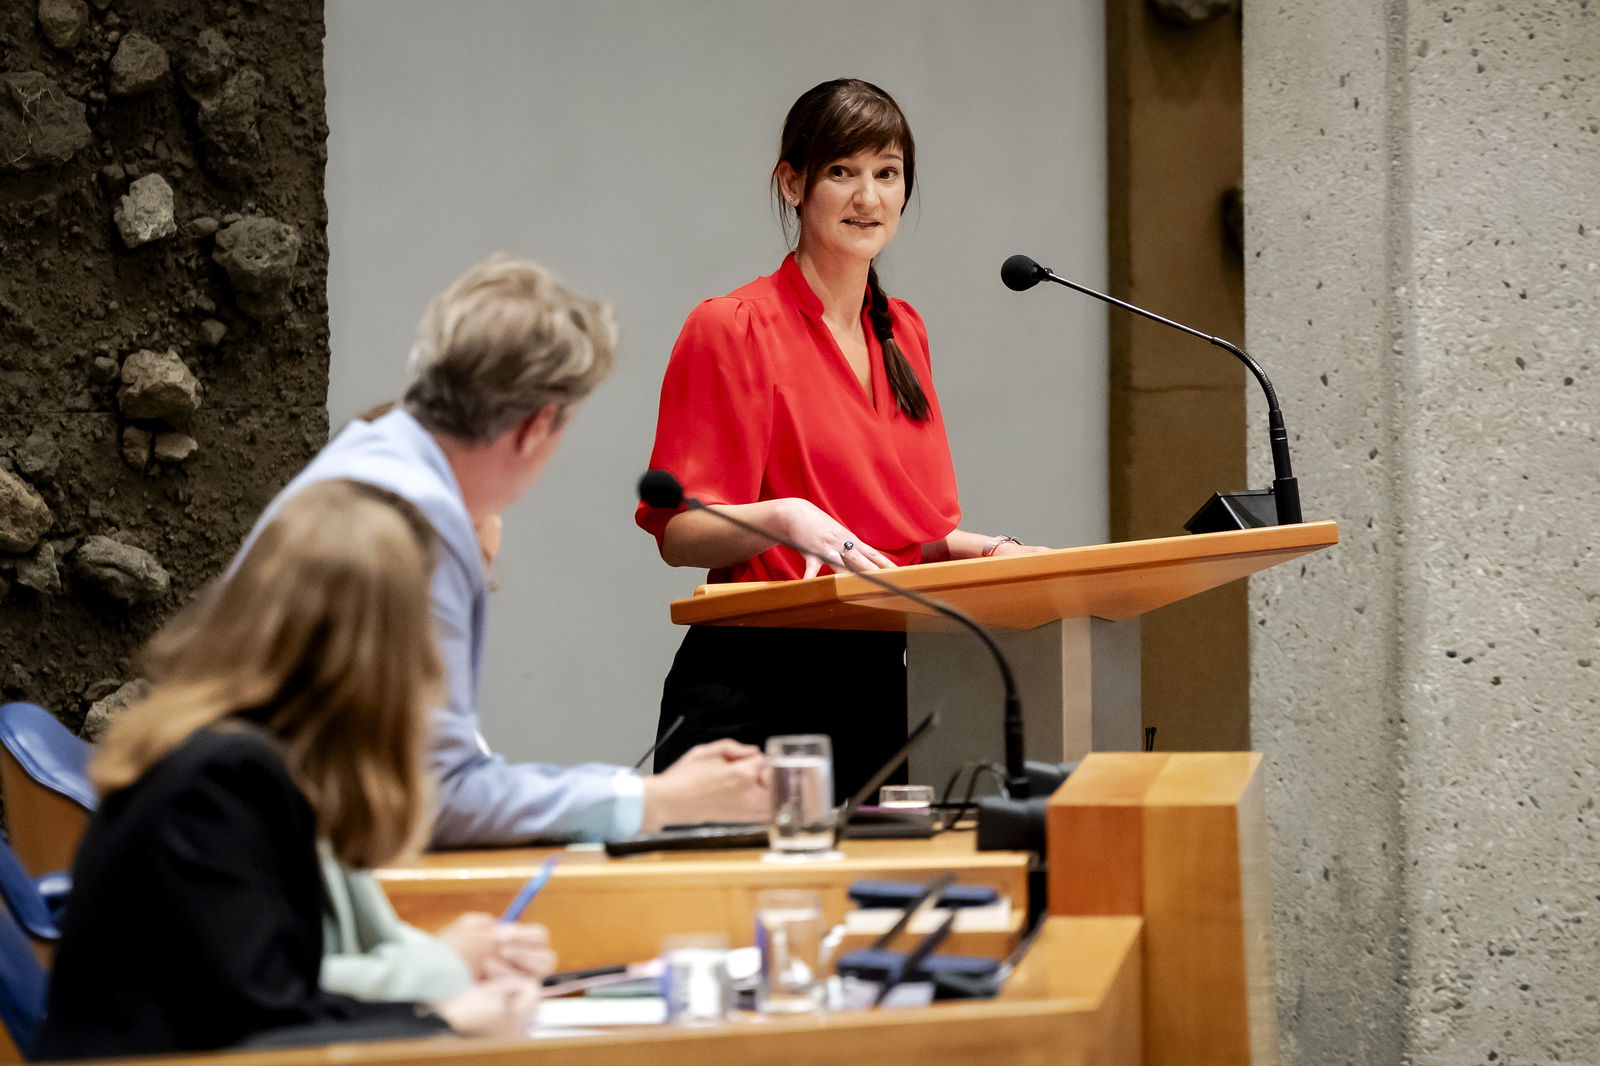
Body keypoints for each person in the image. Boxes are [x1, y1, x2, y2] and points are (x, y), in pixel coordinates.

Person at [242, 255, 769, 847]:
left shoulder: (367, 459)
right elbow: (441, 796)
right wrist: (656, 798)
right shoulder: (418, 525)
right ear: (536, 427)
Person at [636, 78, 1048, 800]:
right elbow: (681, 533)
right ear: (793, 184)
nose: (868, 198)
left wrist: (989, 550)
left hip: (879, 676)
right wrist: (781, 518)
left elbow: (889, 528)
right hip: (756, 684)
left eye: (887, 174)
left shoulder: (904, 331)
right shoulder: (733, 326)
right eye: (842, 173)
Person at [34, 481, 542, 1060]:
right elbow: (258, 1027)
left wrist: (440, 1007)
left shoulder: (231, 758)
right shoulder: (221, 783)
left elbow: (276, 993)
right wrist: (445, 1023)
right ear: (379, 656)